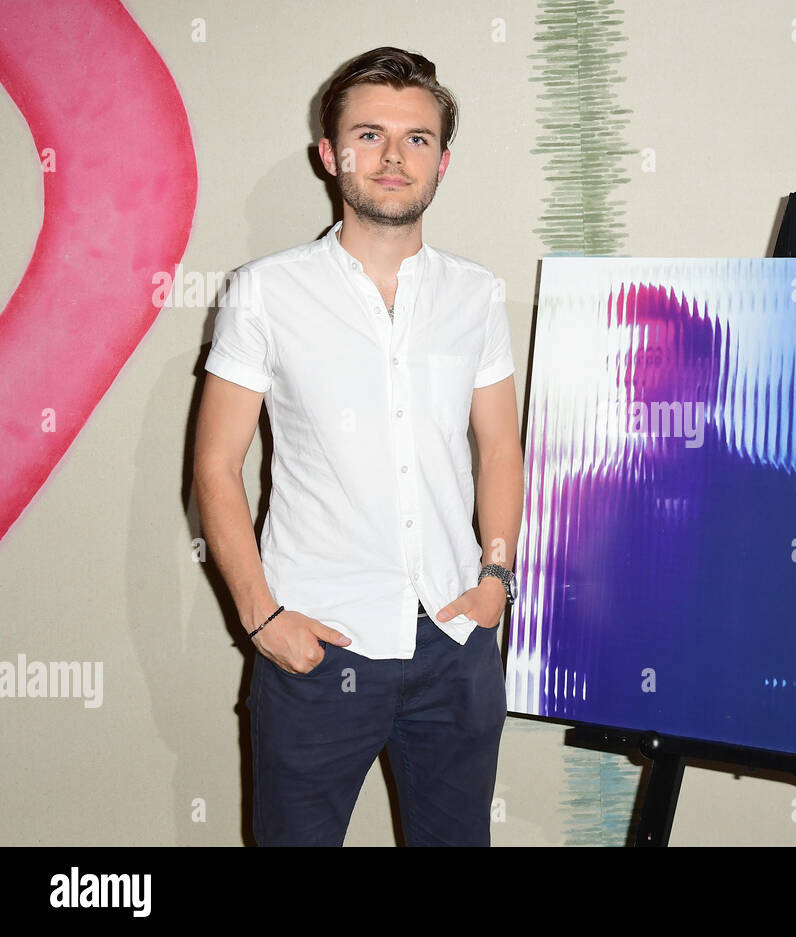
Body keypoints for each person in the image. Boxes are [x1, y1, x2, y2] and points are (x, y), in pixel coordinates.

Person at [193, 46, 523, 846]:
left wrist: (497, 577)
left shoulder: (475, 294)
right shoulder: (266, 291)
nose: (391, 156)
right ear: (329, 154)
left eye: (415, 139)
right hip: (317, 645)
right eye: (368, 134)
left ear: (442, 161)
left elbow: (500, 446)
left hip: (454, 642)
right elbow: (214, 464)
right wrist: (260, 615)